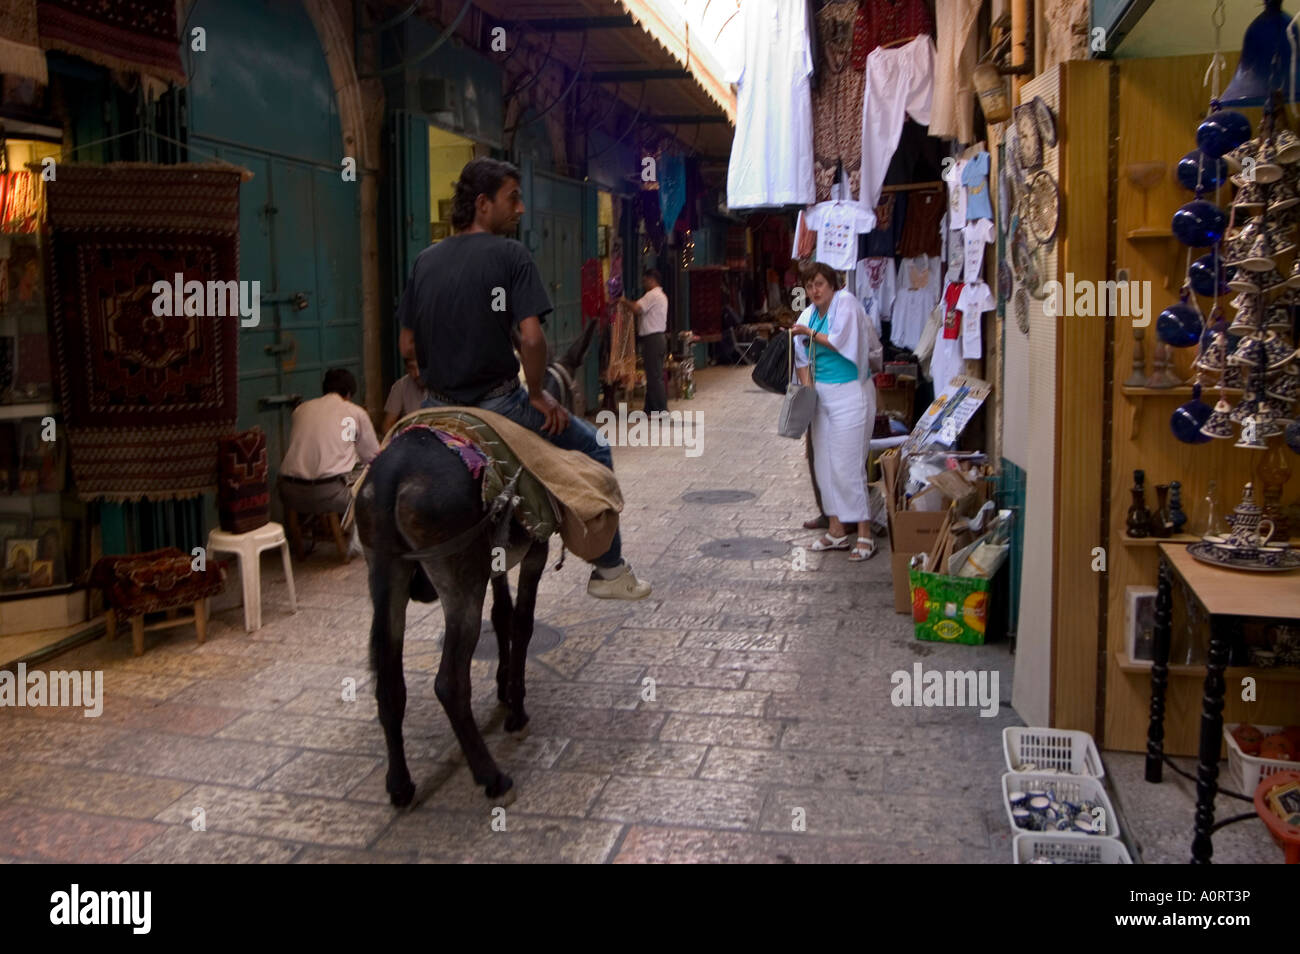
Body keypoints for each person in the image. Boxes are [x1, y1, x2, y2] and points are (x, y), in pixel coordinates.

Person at [396, 157, 651, 600]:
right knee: (595, 445)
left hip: (436, 407)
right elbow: (532, 339)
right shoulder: (510, 255)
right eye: (512, 198)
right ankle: (609, 569)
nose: (521, 208)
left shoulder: (424, 260)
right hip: (499, 406)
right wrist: (536, 394)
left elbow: (406, 345)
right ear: (482, 204)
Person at [790, 262, 883, 562]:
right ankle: (836, 530)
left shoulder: (846, 304)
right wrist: (808, 396)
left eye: (819, 283)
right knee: (824, 465)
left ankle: (865, 533)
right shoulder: (807, 315)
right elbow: (802, 360)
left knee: (848, 465)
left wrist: (808, 332)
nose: (814, 290)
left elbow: (840, 340)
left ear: (832, 284)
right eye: (809, 285)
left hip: (851, 394)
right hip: (823, 395)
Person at [278, 368, 379, 554]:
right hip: (329, 494)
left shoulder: (301, 409)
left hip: (288, 491)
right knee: (372, 477)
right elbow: (373, 456)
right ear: (349, 393)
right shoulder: (354, 412)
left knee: (337, 468)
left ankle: (308, 536)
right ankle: (360, 541)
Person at [620, 269, 669, 413]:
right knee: (653, 374)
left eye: (645, 280)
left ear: (651, 279)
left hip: (652, 339)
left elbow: (637, 308)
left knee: (654, 376)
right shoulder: (662, 296)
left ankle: (661, 409)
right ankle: (650, 408)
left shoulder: (652, 295)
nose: (643, 283)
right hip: (658, 338)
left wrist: (623, 301)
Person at [382, 356, 429, 435]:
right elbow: (387, 426)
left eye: (420, 367)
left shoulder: (441, 385)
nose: (417, 373)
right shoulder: (400, 386)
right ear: (407, 369)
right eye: (412, 368)